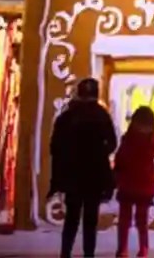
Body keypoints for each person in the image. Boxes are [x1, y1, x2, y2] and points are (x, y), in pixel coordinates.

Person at [49, 78, 118, 258]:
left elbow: (55, 147)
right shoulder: (101, 115)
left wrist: (61, 171)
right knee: (90, 220)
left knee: (71, 219)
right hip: (94, 175)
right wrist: (98, 153)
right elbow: (112, 143)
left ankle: (65, 254)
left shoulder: (67, 116)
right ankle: (88, 254)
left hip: (73, 174)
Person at [112, 106, 154, 257]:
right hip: (144, 185)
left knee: (126, 220)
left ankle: (124, 249)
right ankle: (142, 248)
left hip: (129, 184)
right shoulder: (150, 139)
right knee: (140, 221)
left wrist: (116, 177)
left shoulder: (128, 138)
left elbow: (120, 160)